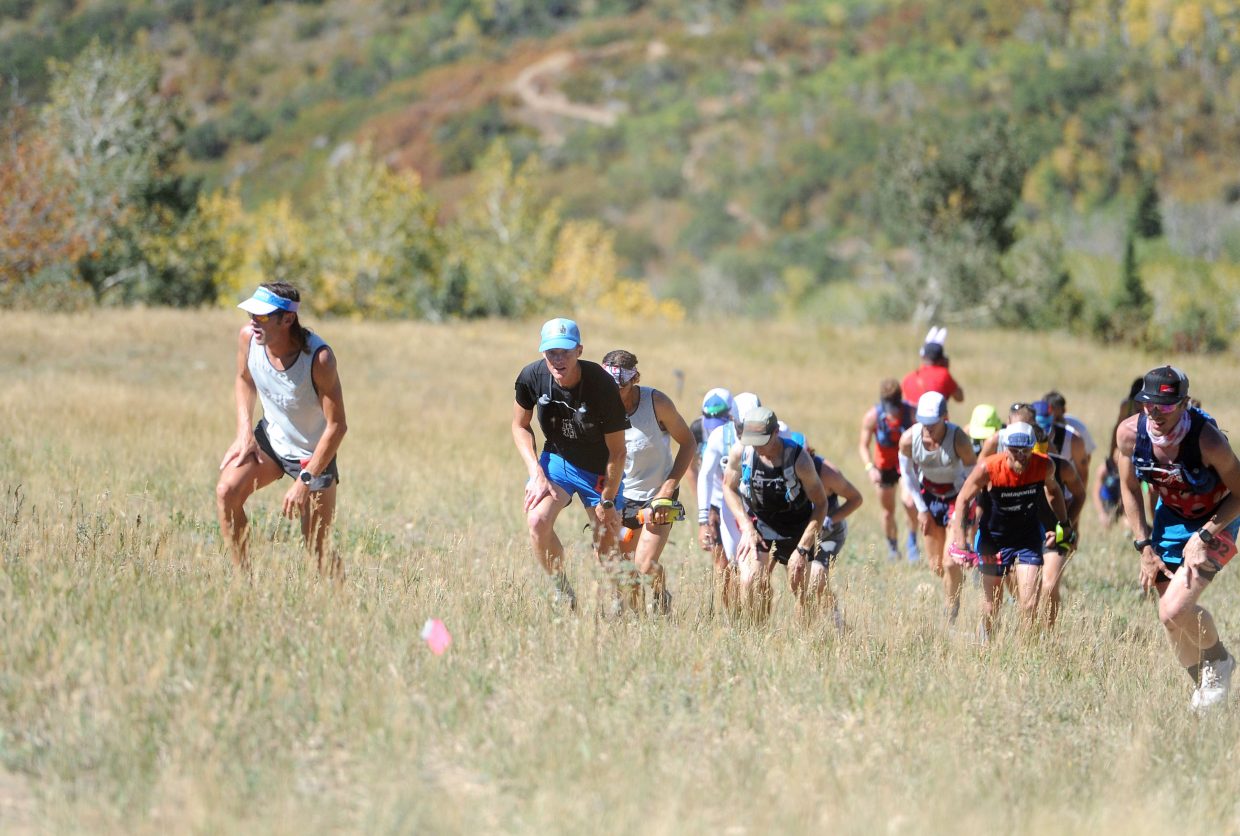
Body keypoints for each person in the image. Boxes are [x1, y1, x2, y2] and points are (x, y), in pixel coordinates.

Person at [1116, 366, 1240, 711]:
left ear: (1184, 404)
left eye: (1167, 406)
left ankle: (1219, 661)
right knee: (1171, 620)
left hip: (1217, 519)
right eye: (1149, 404)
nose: (1156, 413)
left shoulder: (1208, 441)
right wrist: (1144, 546)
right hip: (1170, 520)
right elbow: (1128, 487)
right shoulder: (1129, 435)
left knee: (1174, 608)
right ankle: (1205, 688)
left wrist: (1204, 535)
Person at [216, 282, 348, 578]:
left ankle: (343, 598)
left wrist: (305, 479)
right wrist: (244, 432)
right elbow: (244, 379)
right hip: (271, 441)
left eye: (262, 316)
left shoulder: (319, 359)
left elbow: (338, 426)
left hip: (313, 454)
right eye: (251, 314)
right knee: (226, 492)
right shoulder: (248, 338)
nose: (254, 321)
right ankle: (243, 582)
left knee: (317, 548)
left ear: (287, 319)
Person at [512, 318, 628, 612]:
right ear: (543, 352)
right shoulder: (531, 377)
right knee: (537, 521)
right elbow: (519, 426)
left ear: (579, 350)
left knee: (605, 546)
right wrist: (536, 473)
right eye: (551, 352)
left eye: (565, 351)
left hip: (601, 468)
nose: (558, 359)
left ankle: (619, 602)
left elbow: (618, 452)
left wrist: (608, 500)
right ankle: (562, 590)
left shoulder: (602, 386)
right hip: (558, 459)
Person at [949, 423, 1071, 638]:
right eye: (1015, 451)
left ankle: (1026, 651)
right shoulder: (988, 468)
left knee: (1029, 604)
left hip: (1027, 538)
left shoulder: (1044, 465)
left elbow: (1053, 491)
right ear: (1005, 448)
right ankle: (986, 644)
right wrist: (961, 542)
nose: (1020, 457)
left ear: (1032, 448)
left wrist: (1064, 523)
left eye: (1026, 451)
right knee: (991, 606)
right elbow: (963, 499)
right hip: (993, 539)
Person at [723, 407, 845, 620]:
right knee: (751, 581)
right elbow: (728, 487)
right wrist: (747, 526)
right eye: (753, 441)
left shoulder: (799, 459)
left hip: (797, 527)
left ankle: (806, 635)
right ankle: (758, 632)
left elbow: (821, 504)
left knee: (800, 590)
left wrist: (802, 548)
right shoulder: (742, 452)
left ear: (776, 432)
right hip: (760, 523)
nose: (757, 447)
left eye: (762, 442)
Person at [603, 349, 696, 615]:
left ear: (635, 379)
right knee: (625, 570)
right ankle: (635, 621)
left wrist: (668, 487)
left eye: (620, 387)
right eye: (609, 387)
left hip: (658, 496)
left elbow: (688, 442)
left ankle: (659, 594)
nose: (614, 393)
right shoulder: (599, 406)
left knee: (644, 565)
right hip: (620, 499)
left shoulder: (657, 403)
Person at [898, 391, 976, 622]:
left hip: (956, 498)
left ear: (945, 417)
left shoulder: (959, 439)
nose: (928, 428)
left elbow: (973, 477)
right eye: (924, 422)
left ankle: (950, 613)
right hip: (929, 498)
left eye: (933, 423)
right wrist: (921, 509)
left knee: (950, 562)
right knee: (937, 566)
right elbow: (907, 475)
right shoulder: (908, 440)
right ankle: (957, 583)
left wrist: (963, 508)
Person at [698, 392, 761, 609]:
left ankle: (757, 618)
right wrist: (703, 520)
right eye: (741, 428)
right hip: (729, 507)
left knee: (756, 571)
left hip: (761, 508)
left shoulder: (771, 433)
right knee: (733, 563)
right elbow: (705, 476)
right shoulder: (719, 436)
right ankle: (735, 617)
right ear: (733, 419)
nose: (746, 434)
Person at [858, 379, 919, 562]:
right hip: (883, 468)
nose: (892, 411)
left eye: (895, 406)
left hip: (906, 464)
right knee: (887, 511)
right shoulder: (873, 416)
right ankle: (893, 548)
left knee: (909, 502)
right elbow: (863, 446)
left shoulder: (911, 413)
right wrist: (870, 468)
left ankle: (912, 542)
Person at [687, 388, 733, 510]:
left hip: (737, 499)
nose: (714, 428)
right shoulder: (698, 429)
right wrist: (703, 505)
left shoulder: (739, 428)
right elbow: (690, 468)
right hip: (713, 500)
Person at [901, 327, 964, 406]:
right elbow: (959, 397)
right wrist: (946, 369)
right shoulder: (944, 375)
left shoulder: (908, 378)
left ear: (923, 357)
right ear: (941, 359)